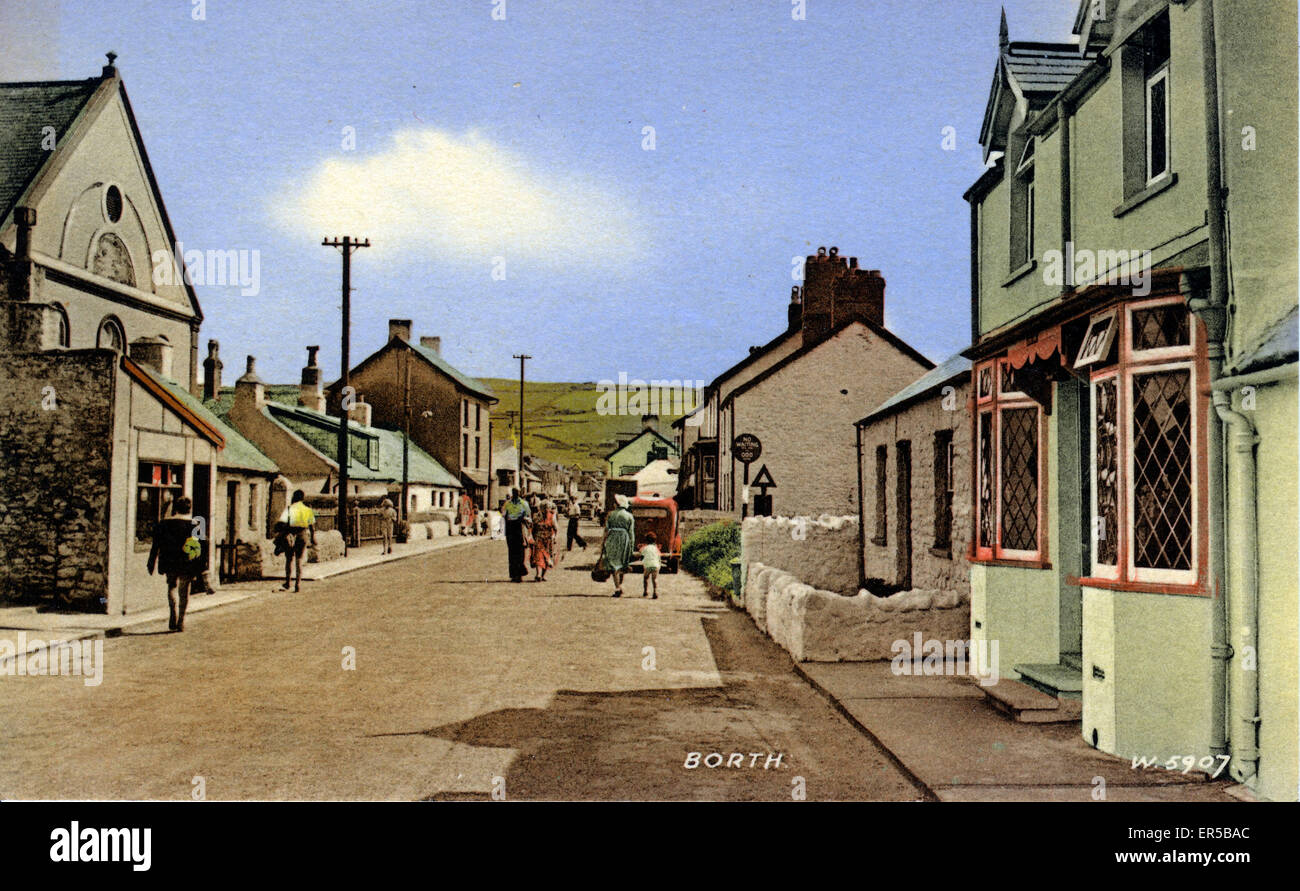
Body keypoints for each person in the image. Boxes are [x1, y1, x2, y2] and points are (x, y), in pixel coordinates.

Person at [146, 496, 205, 632]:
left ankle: (173, 613)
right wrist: (202, 567)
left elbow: (156, 545)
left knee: (171, 586)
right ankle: (181, 620)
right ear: (189, 509)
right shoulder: (195, 525)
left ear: (175, 508)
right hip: (187, 562)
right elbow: (201, 548)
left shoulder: (164, 524)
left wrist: (151, 562)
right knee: (184, 591)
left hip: (170, 560)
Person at [278, 490, 316, 592]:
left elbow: (281, 523)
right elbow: (312, 527)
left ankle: (288, 582)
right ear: (303, 498)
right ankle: (297, 584)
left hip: (290, 535)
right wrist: (313, 538)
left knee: (289, 559)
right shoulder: (308, 510)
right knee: (299, 559)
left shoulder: (289, 509)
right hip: (302, 534)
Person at [601, 494, 635, 597]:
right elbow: (631, 533)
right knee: (622, 563)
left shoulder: (611, 515)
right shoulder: (629, 516)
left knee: (614, 563)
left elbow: (606, 530)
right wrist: (631, 546)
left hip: (612, 539)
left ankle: (617, 587)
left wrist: (603, 542)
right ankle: (619, 585)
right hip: (624, 539)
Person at [502, 488, 531, 582]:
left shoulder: (524, 503)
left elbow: (528, 516)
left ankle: (519, 574)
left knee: (520, 551)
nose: (515, 495)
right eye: (514, 493)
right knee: (512, 552)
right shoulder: (508, 504)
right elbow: (503, 515)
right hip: (510, 528)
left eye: (516, 493)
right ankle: (514, 574)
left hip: (520, 527)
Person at [530, 500, 557, 581]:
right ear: (540, 508)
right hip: (539, 539)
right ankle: (538, 575)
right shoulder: (536, 517)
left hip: (548, 540)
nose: (546, 510)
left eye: (547, 508)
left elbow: (555, 529)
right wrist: (532, 538)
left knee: (547, 557)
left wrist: (554, 536)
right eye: (544, 508)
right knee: (538, 556)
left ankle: (543, 575)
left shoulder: (552, 517)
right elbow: (533, 528)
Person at [638, 531, 661, 599]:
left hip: (647, 565)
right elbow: (659, 556)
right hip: (656, 565)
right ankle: (655, 592)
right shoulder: (656, 548)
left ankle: (645, 591)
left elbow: (641, 554)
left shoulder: (645, 548)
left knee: (645, 578)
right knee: (655, 579)